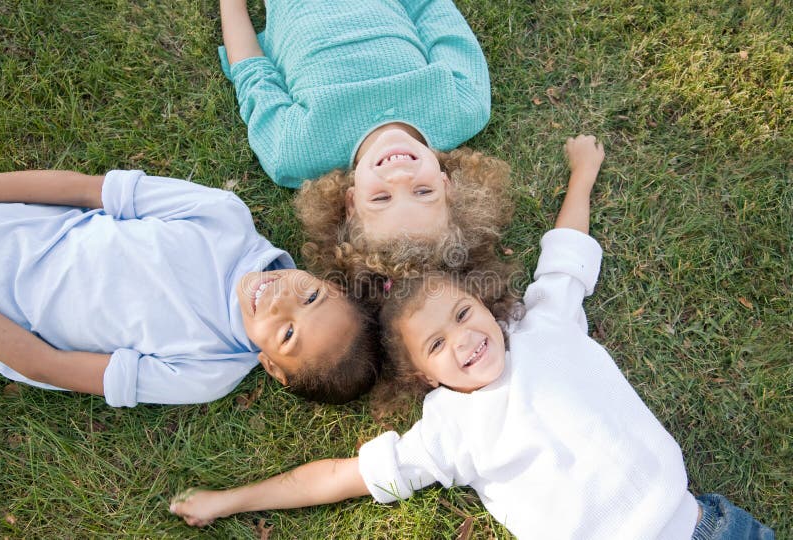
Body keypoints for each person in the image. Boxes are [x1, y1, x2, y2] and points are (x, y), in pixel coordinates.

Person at [169, 136, 774, 539]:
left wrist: (583, 172)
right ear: (422, 377)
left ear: (483, 301)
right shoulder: (446, 432)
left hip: (708, 525)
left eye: (461, 313)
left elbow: (566, 251)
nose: (462, 339)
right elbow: (338, 476)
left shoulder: (544, 322)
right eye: (434, 345)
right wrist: (232, 500)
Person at [0, 169, 381, 406]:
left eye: (288, 333)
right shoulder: (223, 217)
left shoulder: (209, 373)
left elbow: (48, 365)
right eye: (311, 296)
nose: (283, 300)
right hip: (12, 227)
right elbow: (87, 191)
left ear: (273, 367)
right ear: (329, 281)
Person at [219, 0, 513, 288]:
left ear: (351, 203)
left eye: (381, 198)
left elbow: (251, 72)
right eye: (423, 191)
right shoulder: (463, 106)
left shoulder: (295, 151)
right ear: (447, 185)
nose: (399, 177)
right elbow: (433, 11)